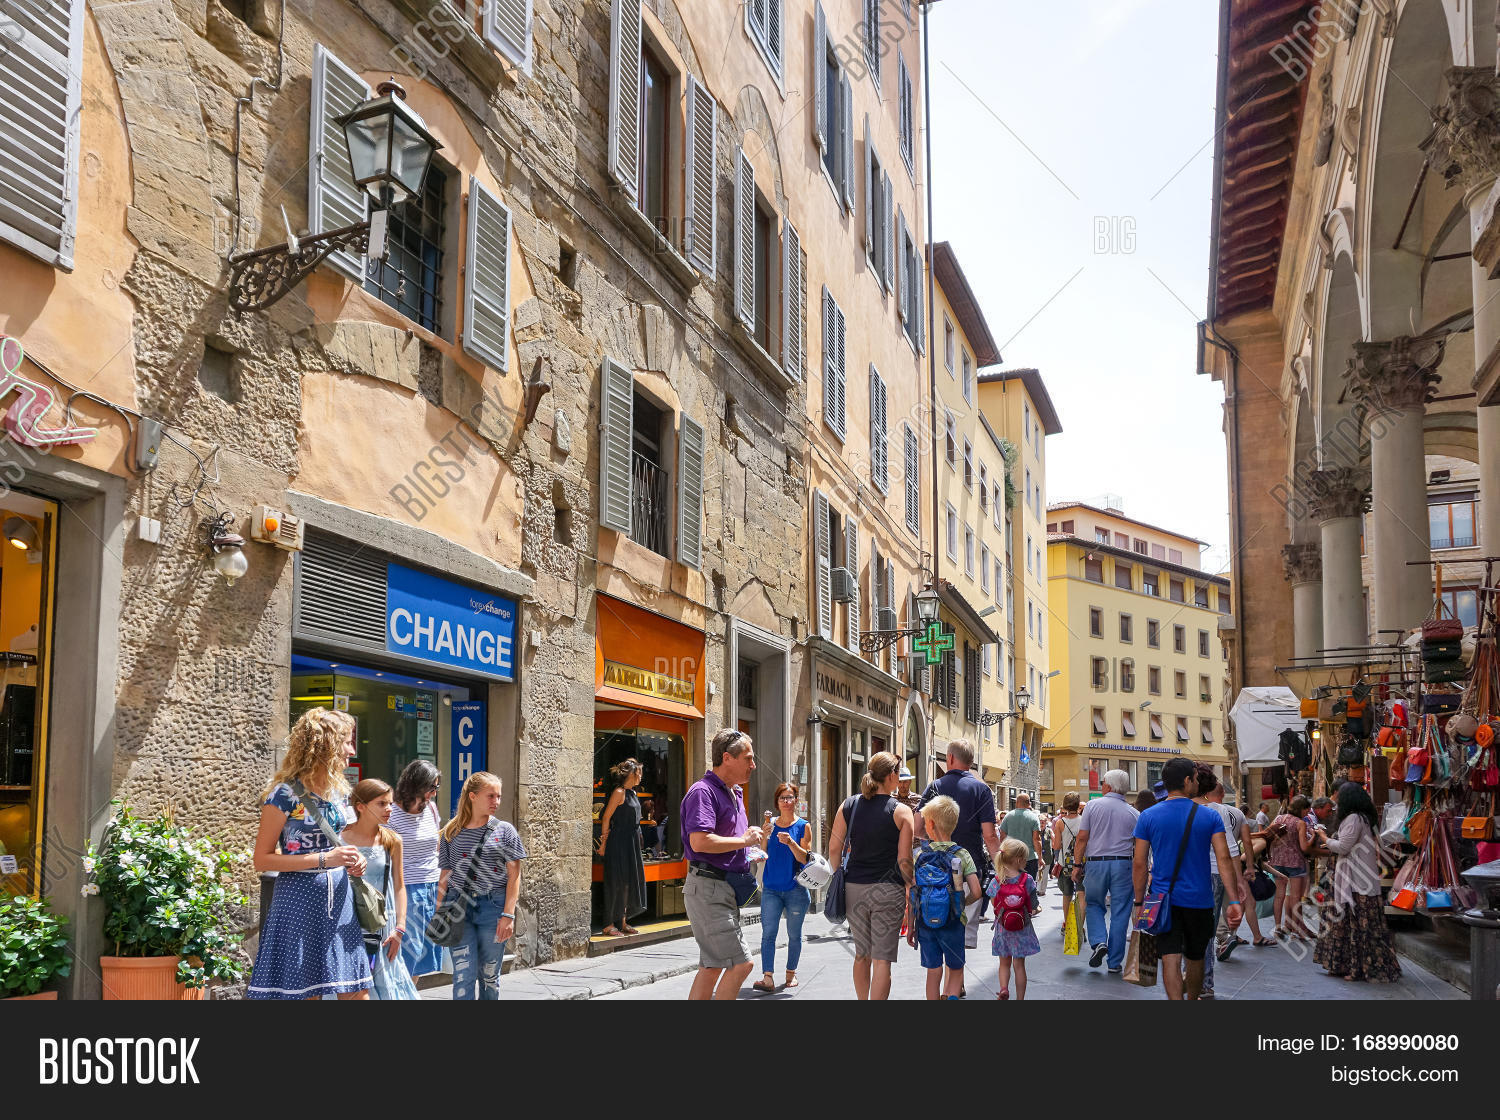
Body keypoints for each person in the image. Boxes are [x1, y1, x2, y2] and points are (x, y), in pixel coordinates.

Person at [249, 708, 372, 1000]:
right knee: (306, 993)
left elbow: (335, 840)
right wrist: (324, 860)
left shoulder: (338, 791)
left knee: (357, 990)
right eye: (346, 741)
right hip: (298, 901)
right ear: (325, 745)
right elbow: (262, 859)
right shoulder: (283, 794)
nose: (351, 750)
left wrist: (355, 858)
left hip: (339, 900)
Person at [1131, 757, 1239, 1000]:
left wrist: (1139, 902)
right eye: (1196, 777)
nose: (1198, 782)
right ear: (1188, 780)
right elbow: (1224, 860)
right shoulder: (1210, 817)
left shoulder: (1147, 816)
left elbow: (1139, 864)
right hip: (1199, 899)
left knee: (1169, 956)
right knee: (1196, 956)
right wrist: (1233, 899)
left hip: (1161, 899)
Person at [681, 729, 763, 1000]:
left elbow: (730, 841)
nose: (753, 765)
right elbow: (700, 842)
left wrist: (750, 848)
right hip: (708, 889)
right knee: (742, 964)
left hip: (721, 888)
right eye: (748, 758)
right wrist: (742, 841)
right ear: (727, 758)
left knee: (712, 965)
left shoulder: (734, 793)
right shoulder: (703, 792)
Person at [828, 751, 915, 999]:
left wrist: (838, 875)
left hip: (854, 887)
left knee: (861, 953)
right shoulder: (901, 811)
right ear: (890, 776)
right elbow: (904, 860)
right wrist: (910, 889)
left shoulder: (849, 805)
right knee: (882, 960)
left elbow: (834, 848)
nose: (900, 779)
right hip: (889, 891)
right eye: (899, 773)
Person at [437, 771, 527, 1000]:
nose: (496, 802)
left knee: (489, 975)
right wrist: (439, 912)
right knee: (463, 975)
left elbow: (514, 875)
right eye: (490, 796)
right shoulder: (451, 831)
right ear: (473, 796)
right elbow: (446, 874)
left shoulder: (505, 831)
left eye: (498, 796)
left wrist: (509, 914)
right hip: (457, 908)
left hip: (493, 906)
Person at [917, 740, 1000, 981]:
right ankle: (957, 982)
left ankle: (944, 980)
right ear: (971, 762)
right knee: (960, 930)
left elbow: (917, 827)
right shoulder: (982, 790)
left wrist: (932, 845)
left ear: (950, 759)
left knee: (937, 920)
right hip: (969, 866)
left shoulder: (934, 786)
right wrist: (1001, 869)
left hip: (934, 869)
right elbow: (990, 836)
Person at [1311, 782, 1402, 982]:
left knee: (1358, 926)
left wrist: (1324, 837)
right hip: (1359, 879)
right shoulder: (1363, 819)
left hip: (1357, 881)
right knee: (1360, 927)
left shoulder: (1353, 819)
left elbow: (1343, 847)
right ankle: (1355, 966)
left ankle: (1357, 968)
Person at [344, 779, 419, 1000]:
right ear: (360, 806)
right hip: (345, 922)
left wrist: (400, 928)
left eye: (390, 803)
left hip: (380, 924)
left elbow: (399, 886)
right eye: (381, 803)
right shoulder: (339, 838)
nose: (389, 809)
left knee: (383, 983)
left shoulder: (392, 840)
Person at [905, 794, 980, 1000]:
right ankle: (952, 996)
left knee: (933, 972)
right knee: (955, 969)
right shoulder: (962, 854)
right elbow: (977, 891)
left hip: (926, 923)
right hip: (954, 921)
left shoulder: (919, 854)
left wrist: (911, 926)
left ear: (929, 824)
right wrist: (960, 904)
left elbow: (912, 894)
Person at [1072, 769, 1140, 973]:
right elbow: (1139, 846)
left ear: (1108, 786)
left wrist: (1077, 865)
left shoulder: (1093, 806)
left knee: (1093, 904)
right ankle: (1114, 962)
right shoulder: (1134, 813)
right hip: (1123, 864)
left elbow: (1082, 838)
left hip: (1096, 863)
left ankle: (1099, 942)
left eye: (1102, 782)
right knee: (1120, 912)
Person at [753, 782, 812, 993]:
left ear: (796, 800)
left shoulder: (803, 826)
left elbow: (806, 859)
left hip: (795, 889)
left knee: (794, 934)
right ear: (776, 802)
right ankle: (767, 977)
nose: (786, 802)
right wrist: (764, 837)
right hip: (771, 888)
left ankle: (791, 973)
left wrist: (791, 843)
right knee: (768, 933)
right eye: (782, 798)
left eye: (790, 797)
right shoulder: (769, 824)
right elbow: (762, 855)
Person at [1205, 772, 1271, 956]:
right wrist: (1249, 867)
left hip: (1209, 867)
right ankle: (1228, 936)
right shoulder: (1235, 812)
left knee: (1213, 908)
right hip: (1232, 865)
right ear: (1222, 795)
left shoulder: (1204, 809)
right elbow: (1246, 842)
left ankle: (1222, 937)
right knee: (1230, 902)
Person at [389, 759, 445, 976]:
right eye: (432, 787)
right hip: (407, 888)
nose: (435, 793)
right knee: (407, 951)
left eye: (437, 787)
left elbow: (436, 845)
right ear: (416, 784)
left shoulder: (431, 809)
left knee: (424, 951)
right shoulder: (391, 813)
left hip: (433, 886)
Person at [1191, 766, 1242, 1000]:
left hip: (1189, 875)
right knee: (1207, 932)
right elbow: (1231, 852)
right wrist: (1237, 885)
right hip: (1214, 875)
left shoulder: (1176, 809)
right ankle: (1204, 982)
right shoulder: (1218, 812)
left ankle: (1192, 976)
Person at [597, 758, 647, 937]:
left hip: (630, 842)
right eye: (639, 772)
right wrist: (603, 843)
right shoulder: (619, 792)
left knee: (626, 883)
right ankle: (608, 924)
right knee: (615, 883)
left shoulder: (633, 793)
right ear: (632, 774)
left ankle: (622, 921)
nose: (641, 775)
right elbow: (606, 817)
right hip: (618, 841)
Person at [987, 837, 1041, 1000]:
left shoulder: (997, 880)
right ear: (1019, 860)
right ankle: (1020, 999)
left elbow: (992, 900)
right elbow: (1034, 906)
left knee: (1004, 963)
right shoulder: (1027, 879)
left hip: (1003, 928)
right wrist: (1036, 909)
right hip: (1022, 928)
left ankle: (1003, 988)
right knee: (1019, 966)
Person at [1268, 795, 1314, 940]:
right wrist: (1313, 836)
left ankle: (1277, 928)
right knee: (1295, 897)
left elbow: (1269, 836)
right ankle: (1296, 930)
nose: (1307, 813)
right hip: (1295, 863)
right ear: (1302, 809)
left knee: (1279, 896)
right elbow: (1304, 847)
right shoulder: (1300, 823)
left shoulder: (1278, 819)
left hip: (1277, 861)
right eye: (1307, 810)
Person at [1051, 792, 1085, 932]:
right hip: (1082, 862)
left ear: (1064, 805)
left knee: (1067, 895)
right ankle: (1079, 927)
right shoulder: (1084, 820)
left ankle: (1068, 925)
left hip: (1065, 864)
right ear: (1078, 805)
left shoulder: (1060, 822)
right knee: (1082, 894)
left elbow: (1057, 846)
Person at [1000, 792, 1044, 884]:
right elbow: (1036, 839)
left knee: (1012, 886)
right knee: (1029, 887)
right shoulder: (1034, 817)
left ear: (1016, 803)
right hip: (1030, 857)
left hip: (1011, 858)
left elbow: (1002, 837)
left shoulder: (1008, 816)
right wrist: (1040, 858)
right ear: (1029, 803)